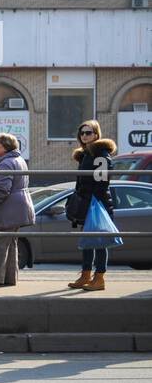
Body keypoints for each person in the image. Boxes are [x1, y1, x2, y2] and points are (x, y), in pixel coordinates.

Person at [67, 120, 117, 292]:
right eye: (82, 133)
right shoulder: (85, 154)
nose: (84, 135)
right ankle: (86, 275)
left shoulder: (101, 154)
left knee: (100, 241)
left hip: (98, 204)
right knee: (87, 240)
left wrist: (92, 203)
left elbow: (102, 183)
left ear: (96, 134)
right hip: (86, 202)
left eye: (88, 132)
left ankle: (99, 278)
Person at [0, 132, 34, 288]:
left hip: (7, 209)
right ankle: (9, 278)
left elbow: (2, 188)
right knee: (11, 244)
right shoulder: (19, 160)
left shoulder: (6, 163)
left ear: (5, 147)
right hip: (18, 208)